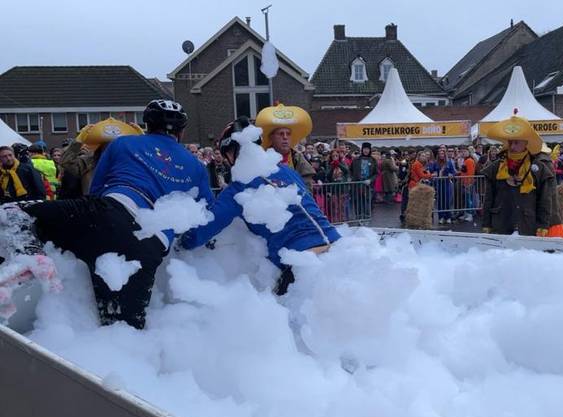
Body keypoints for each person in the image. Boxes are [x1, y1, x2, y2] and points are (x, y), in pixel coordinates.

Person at [22, 100, 214, 330]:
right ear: (182, 132)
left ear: (147, 125)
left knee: (16, 214)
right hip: (151, 246)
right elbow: (205, 221)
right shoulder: (196, 165)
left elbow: (97, 189)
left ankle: (29, 260)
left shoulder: (123, 143)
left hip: (110, 212)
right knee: (122, 332)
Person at [180, 123, 340, 296]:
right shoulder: (286, 171)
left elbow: (207, 226)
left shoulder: (238, 188)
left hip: (298, 260)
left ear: (231, 154)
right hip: (336, 244)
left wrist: (182, 242)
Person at [480, 116, 557, 236]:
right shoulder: (495, 168)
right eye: (510, 142)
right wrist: (486, 224)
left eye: (516, 142)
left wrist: (543, 225)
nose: (512, 146)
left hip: (528, 226)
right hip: (501, 224)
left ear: (526, 143)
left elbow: (545, 201)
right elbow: (488, 199)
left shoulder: (539, 169)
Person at [58, 118, 144, 199]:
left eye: (114, 145)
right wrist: (78, 142)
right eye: (107, 145)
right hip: (93, 205)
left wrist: (144, 141)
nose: (111, 148)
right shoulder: (89, 162)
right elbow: (66, 162)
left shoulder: (129, 163)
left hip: (121, 205)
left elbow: (149, 166)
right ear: (100, 147)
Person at [256, 104, 315, 189]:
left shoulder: (297, 158)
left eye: (288, 134)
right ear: (271, 137)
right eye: (280, 134)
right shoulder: (262, 158)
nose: (285, 137)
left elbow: (307, 187)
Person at [428, 147, 457, 224]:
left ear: (445, 154)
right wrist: (433, 173)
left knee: (447, 200)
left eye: (443, 153)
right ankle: (441, 217)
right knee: (440, 201)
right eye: (440, 153)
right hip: (439, 183)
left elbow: (453, 172)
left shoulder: (449, 162)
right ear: (438, 154)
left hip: (447, 183)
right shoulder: (435, 163)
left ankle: (448, 217)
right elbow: (431, 170)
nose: (441, 155)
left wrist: (451, 174)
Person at [350, 142, 378, 220]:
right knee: (358, 203)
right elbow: (350, 170)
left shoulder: (373, 160)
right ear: (362, 150)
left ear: (370, 150)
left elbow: (376, 173)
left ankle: (367, 220)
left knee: (367, 204)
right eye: (364, 149)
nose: (366, 151)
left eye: (367, 149)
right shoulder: (356, 160)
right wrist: (352, 179)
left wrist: (370, 180)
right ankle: (358, 219)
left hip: (368, 186)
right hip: (357, 185)